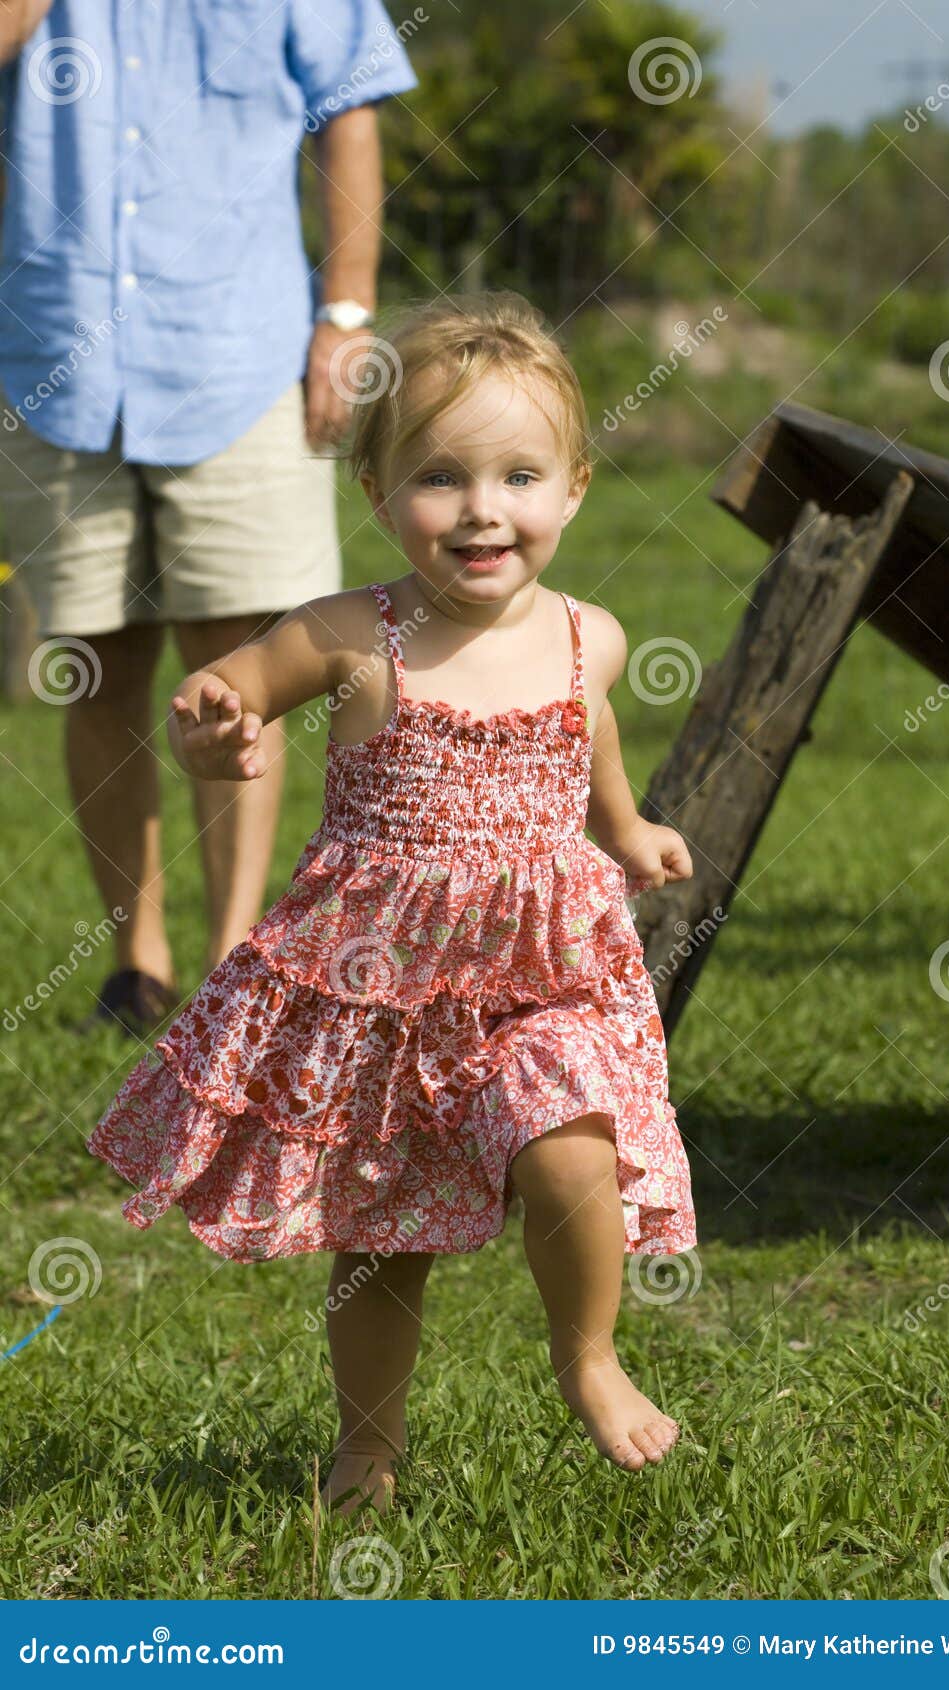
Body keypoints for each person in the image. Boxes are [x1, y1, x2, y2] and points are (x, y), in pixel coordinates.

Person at [86, 291, 698, 1516]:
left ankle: (588, 1355)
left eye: (518, 476)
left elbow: (590, 732)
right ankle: (368, 1441)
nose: (482, 509)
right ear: (377, 493)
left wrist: (625, 828)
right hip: (382, 993)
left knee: (572, 1129)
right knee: (382, 1242)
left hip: (541, 973)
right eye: (440, 477)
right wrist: (214, 725)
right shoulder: (352, 635)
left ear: (575, 488)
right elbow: (230, 684)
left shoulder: (593, 637)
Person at [0, 0, 417, 1034]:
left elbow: (350, 108)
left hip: (238, 356)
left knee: (241, 670)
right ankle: (134, 969)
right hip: (53, 362)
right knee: (94, 664)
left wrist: (347, 315)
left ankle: (234, 965)